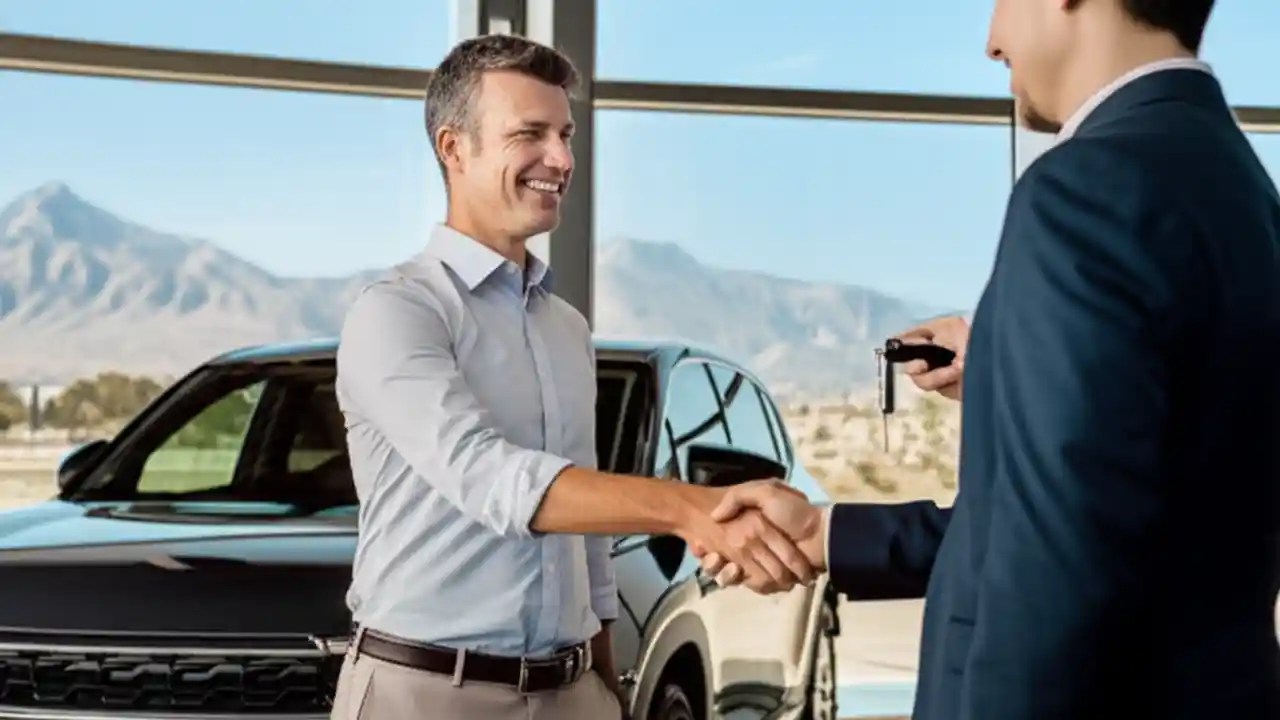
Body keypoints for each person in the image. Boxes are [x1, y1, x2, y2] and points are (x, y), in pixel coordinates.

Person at [697, 0, 1280, 718]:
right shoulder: (1236, 184)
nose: (991, 42)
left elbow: (1055, 566)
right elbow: (1133, 512)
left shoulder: (1083, 187)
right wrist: (826, 532)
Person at [330, 35, 815, 720]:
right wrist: (690, 507)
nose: (561, 159)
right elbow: (489, 476)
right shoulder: (397, 311)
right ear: (453, 147)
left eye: (565, 134)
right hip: (426, 693)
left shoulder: (565, 327)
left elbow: (584, 539)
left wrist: (605, 682)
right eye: (530, 134)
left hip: (574, 691)